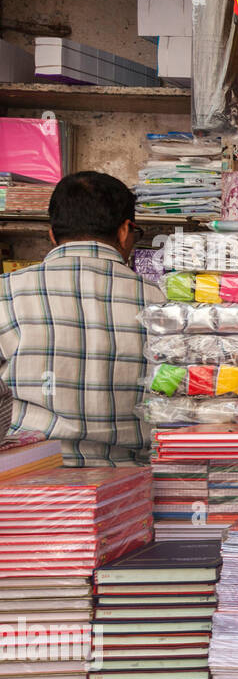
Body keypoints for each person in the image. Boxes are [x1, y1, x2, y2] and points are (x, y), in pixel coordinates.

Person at [0, 171, 160, 466]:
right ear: (125, 231)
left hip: (26, 484)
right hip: (134, 484)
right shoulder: (164, 304)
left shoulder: (5, 292)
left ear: (51, 234)